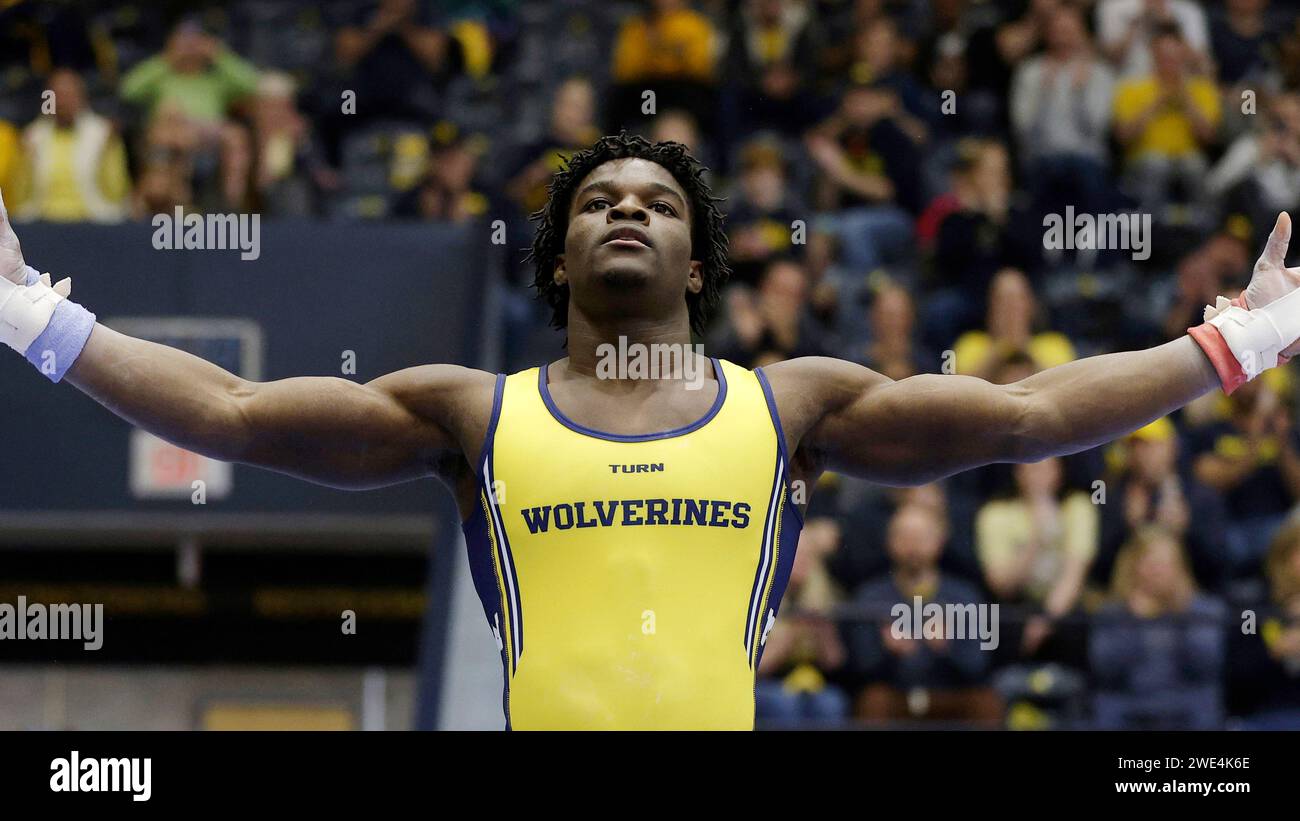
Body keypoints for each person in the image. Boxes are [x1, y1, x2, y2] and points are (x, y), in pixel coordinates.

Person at [2, 132, 1300, 730]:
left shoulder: (791, 404)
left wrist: (1232, 344)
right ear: (561, 262)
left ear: (697, 264)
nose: (627, 209)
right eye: (599, 200)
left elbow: (1027, 414)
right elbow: (228, 413)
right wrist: (33, 317)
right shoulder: (474, 411)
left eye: (659, 201)